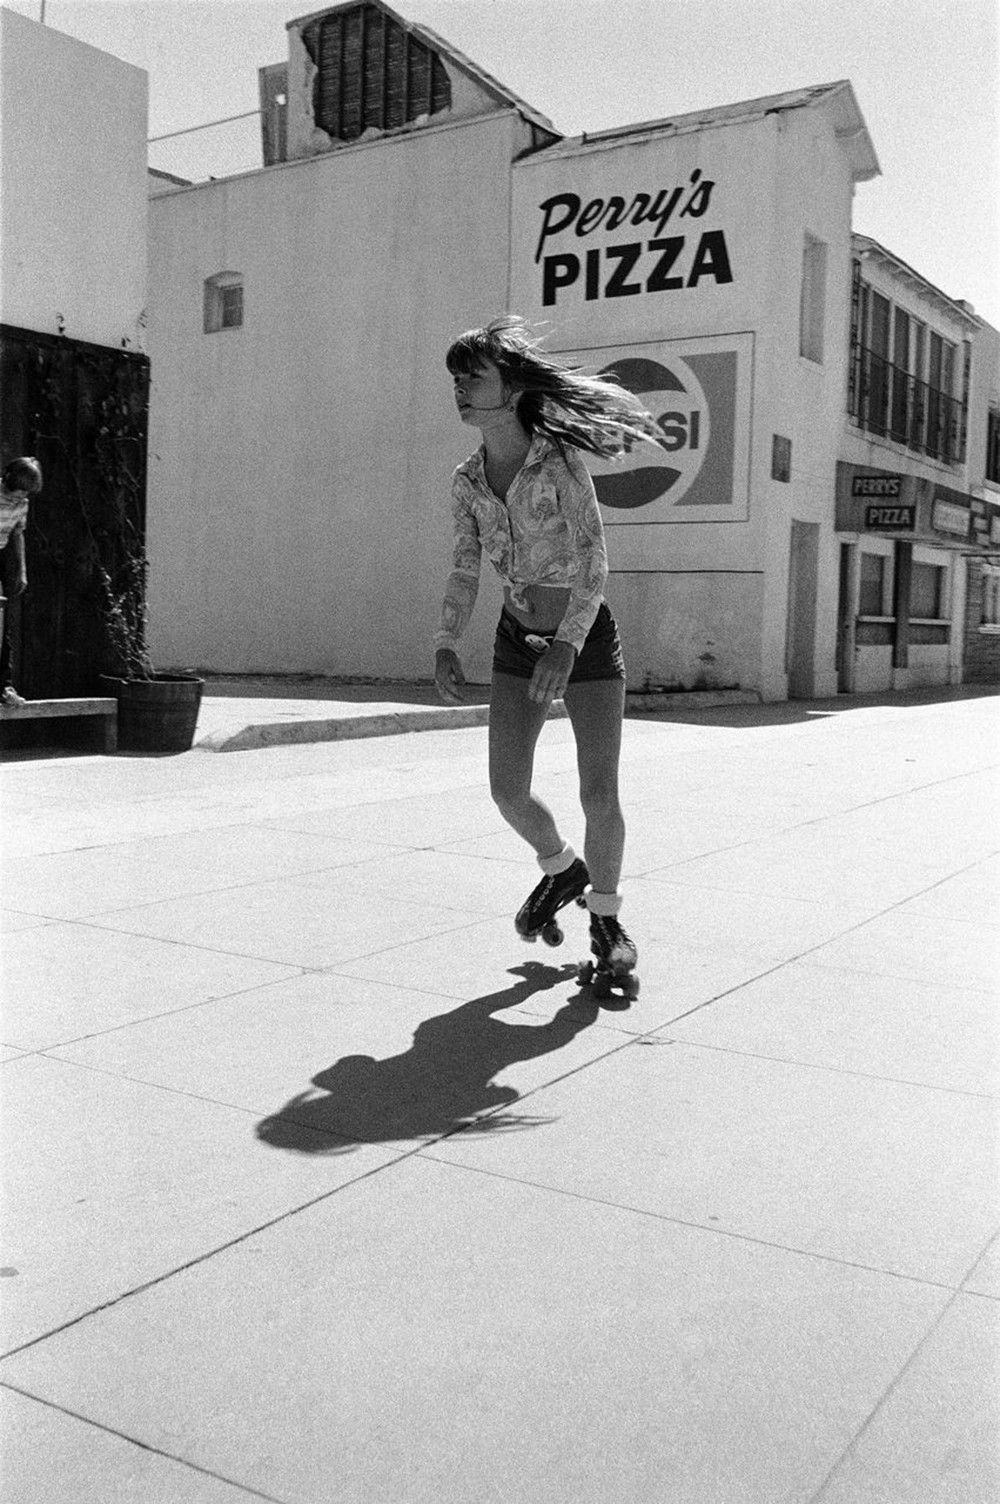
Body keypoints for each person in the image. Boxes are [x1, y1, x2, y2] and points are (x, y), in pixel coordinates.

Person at [434, 317, 661, 994]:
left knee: (599, 792)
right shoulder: (467, 480)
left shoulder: (558, 462)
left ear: (511, 389)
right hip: (516, 638)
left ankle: (608, 922)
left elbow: (594, 559)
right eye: (456, 379)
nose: (460, 388)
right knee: (507, 789)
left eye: (473, 377)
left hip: (583, 640)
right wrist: (446, 641)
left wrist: (568, 643)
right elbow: (465, 566)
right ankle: (562, 869)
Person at [0, 457, 43, 708]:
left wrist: (22, 571)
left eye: (26, 493)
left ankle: (4, 686)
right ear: (8, 479)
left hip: (1, 554)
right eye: (19, 490)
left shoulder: (22, 504)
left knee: (2, 624)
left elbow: (17, 534)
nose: (21, 497)